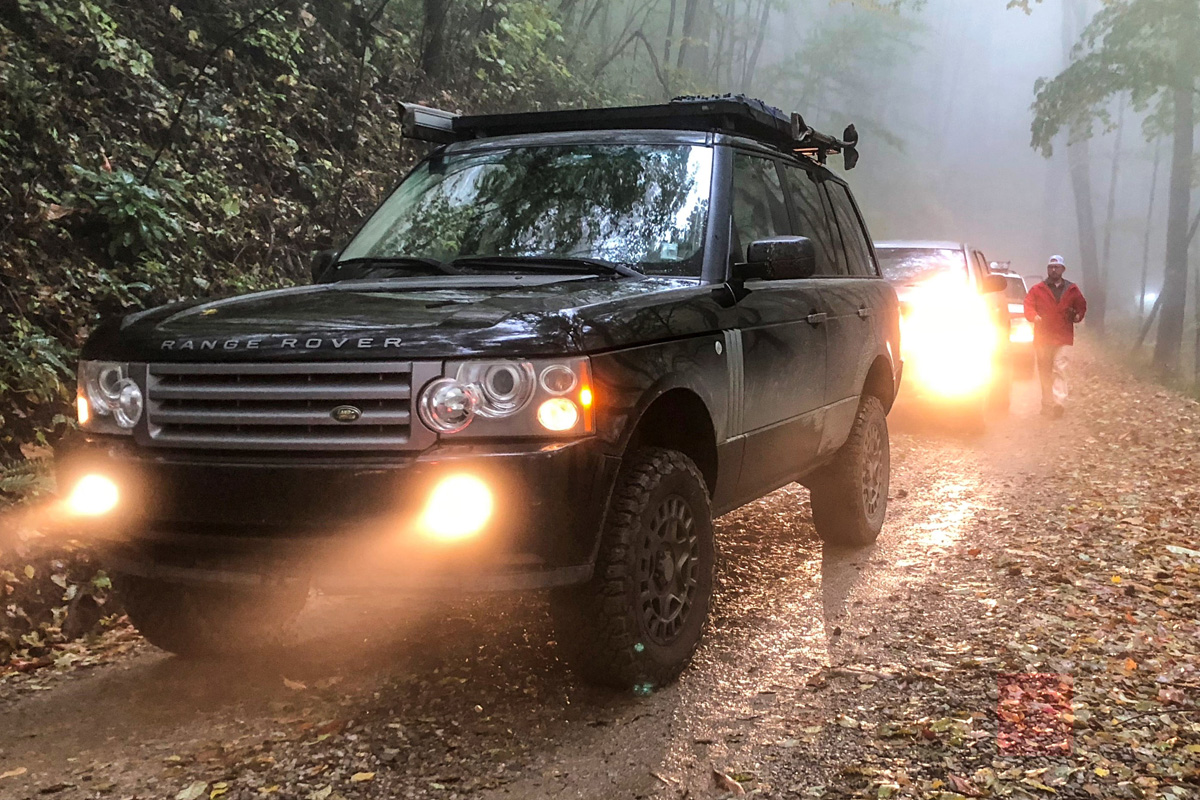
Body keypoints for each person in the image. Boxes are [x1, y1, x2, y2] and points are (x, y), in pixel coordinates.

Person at [1023, 255, 1087, 417]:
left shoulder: (1072, 289)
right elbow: (1028, 305)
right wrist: (1033, 316)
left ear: (1063, 269)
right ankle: (1046, 402)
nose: (1053, 270)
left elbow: (1081, 306)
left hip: (1063, 336)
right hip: (1043, 337)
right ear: (1047, 269)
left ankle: (1059, 403)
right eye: (1050, 267)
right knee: (1044, 371)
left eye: (1056, 267)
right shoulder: (1037, 289)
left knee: (1060, 368)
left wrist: (1078, 316)